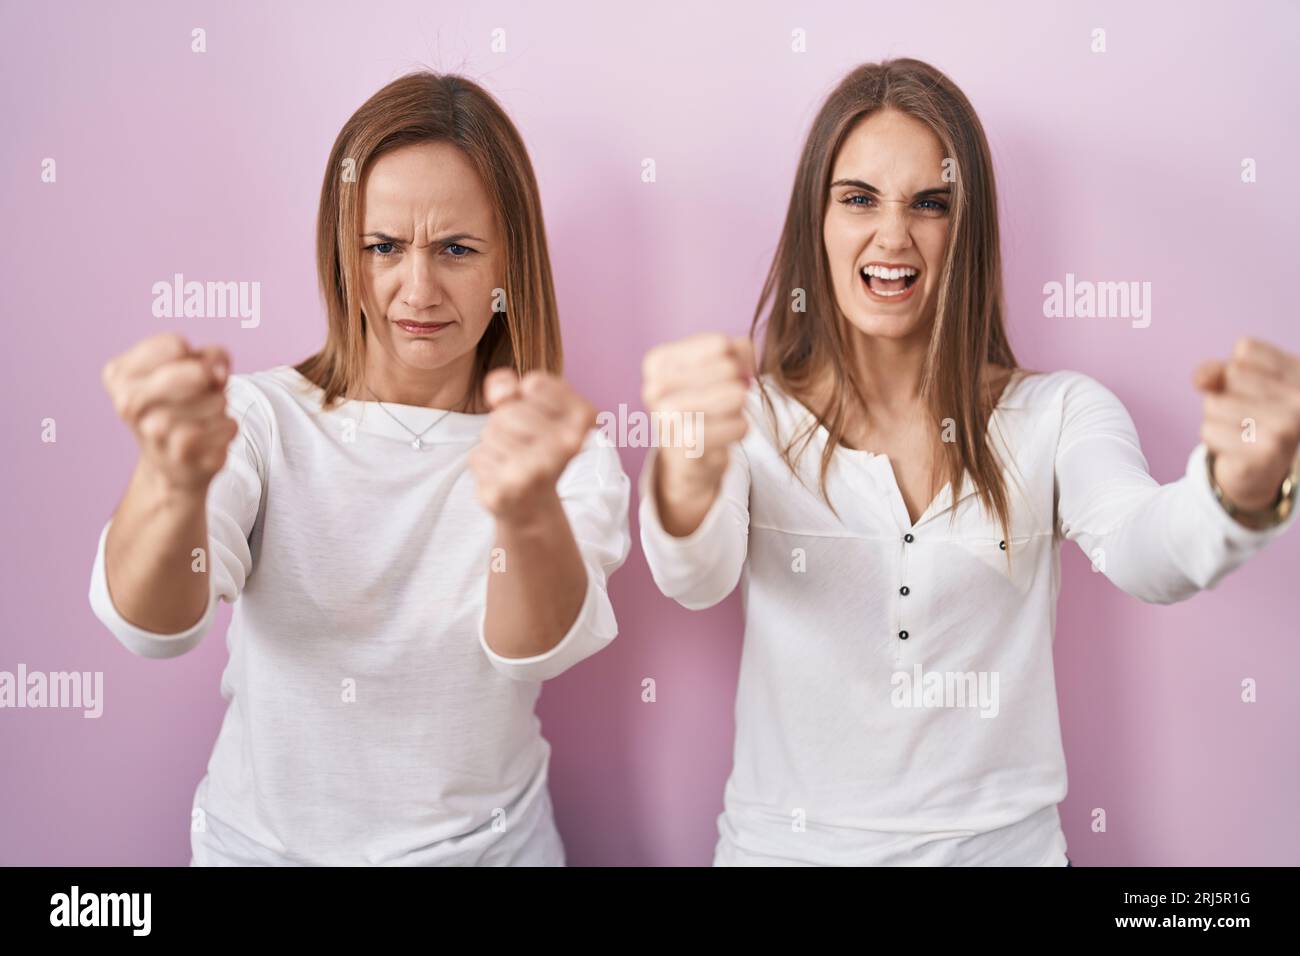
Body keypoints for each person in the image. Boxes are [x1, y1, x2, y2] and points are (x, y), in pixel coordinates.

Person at [638, 58, 1300, 866]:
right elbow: (691, 577)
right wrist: (683, 469)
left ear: (968, 227)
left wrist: (1238, 489)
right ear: (816, 219)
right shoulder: (747, 417)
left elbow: (1147, 551)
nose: (893, 235)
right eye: (858, 199)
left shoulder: (1057, 414)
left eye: (930, 203)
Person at [88, 72, 630, 866]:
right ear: (345, 253)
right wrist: (169, 485)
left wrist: (523, 512)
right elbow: (152, 628)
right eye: (383, 247)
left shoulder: (565, 451)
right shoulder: (261, 418)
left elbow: (535, 648)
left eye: (456, 249)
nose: (417, 288)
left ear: (509, 263)